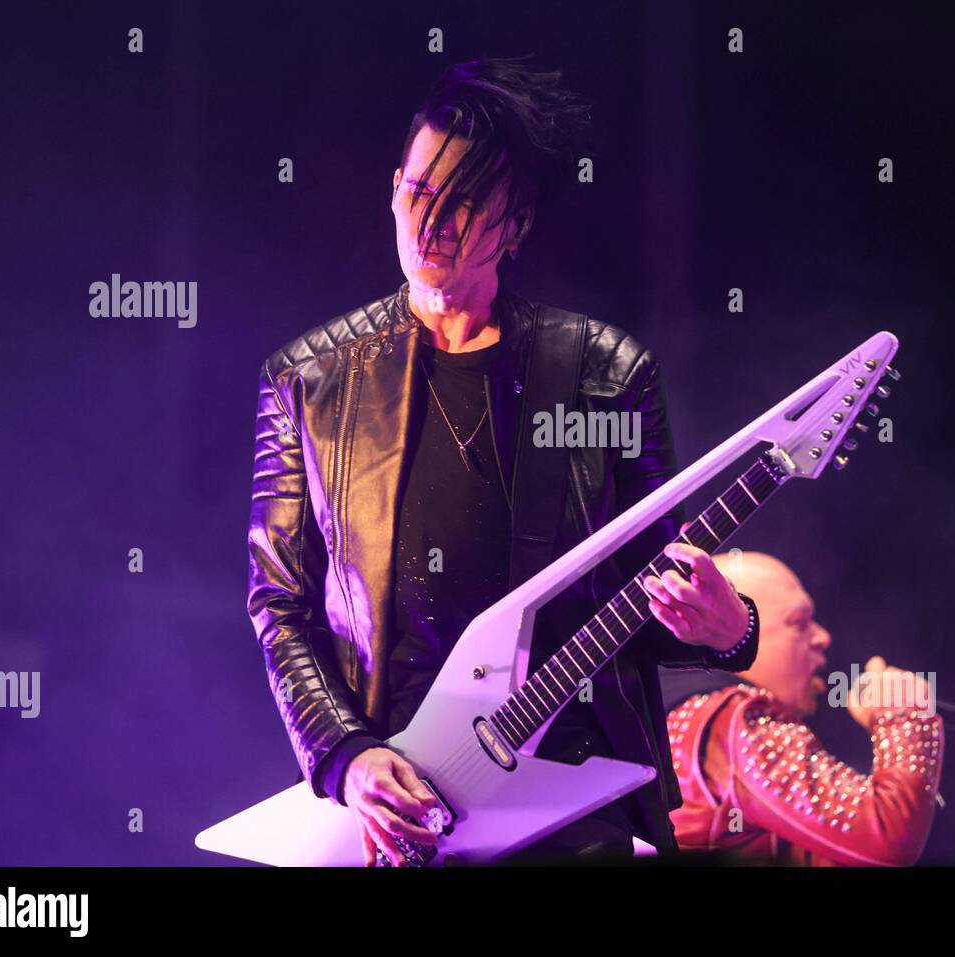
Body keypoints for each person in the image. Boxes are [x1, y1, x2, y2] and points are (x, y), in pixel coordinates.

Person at [246, 56, 759, 866]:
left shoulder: (606, 372)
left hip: (574, 800)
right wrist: (346, 757)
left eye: (464, 204)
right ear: (392, 189)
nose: (432, 223)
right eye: (418, 193)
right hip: (400, 808)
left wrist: (731, 630)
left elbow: (654, 598)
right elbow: (280, 606)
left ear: (514, 224)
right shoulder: (308, 383)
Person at [660, 551, 943, 865]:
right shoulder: (731, 718)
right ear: (733, 627)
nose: (823, 637)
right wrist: (903, 715)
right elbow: (887, 837)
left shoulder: (678, 715)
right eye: (800, 622)